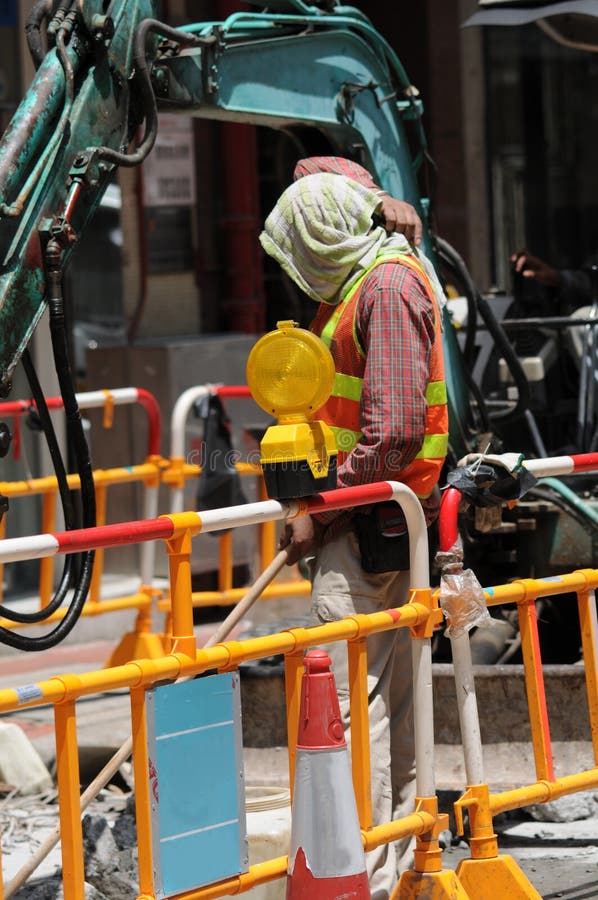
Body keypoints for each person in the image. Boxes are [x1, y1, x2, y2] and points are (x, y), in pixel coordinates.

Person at [259, 158, 448, 899]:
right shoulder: (364, 277)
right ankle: (396, 868)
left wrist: (320, 510)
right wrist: (382, 199)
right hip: (374, 523)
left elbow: (394, 429)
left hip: (372, 532)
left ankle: (365, 871)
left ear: (324, 235)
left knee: (350, 713)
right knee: (390, 712)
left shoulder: (387, 287)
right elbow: (316, 168)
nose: (296, 271)